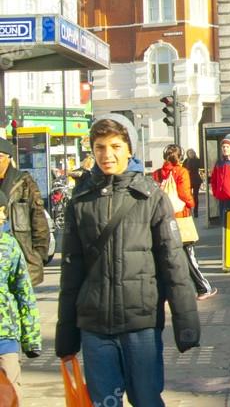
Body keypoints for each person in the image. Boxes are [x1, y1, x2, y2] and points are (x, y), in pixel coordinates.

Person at [56, 118, 200, 406]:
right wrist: (66, 333)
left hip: (140, 324)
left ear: (129, 149)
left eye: (115, 146)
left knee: (146, 399)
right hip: (95, 326)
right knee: (104, 402)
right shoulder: (80, 200)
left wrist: (187, 322)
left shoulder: (150, 196)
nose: (107, 155)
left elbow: (173, 264)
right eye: (99, 147)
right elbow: (71, 272)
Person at [155, 145, 217, 301]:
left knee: (166, 255)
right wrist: (191, 204)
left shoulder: (157, 174)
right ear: (180, 157)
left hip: (163, 217)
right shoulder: (182, 172)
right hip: (180, 217)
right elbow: (184, 194)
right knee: (188, 254)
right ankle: (202, 287)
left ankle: (165, 293)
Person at [0, 189, 42, 404]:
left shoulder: (10, 246)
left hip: (5, 337)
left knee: (9, 394)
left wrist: (31, 338)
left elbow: (24, 292)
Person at [0, 138, 48, 286]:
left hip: (20, 261)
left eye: (0, 157)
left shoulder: (24, 183)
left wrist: (37, 257)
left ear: (9, 158)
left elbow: (39, 221)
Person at [183, 149, 204, 216]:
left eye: (192, 153)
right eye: (189, 153)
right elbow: (183, 169)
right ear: (187, 154)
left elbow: (201, 165)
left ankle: (195, 211)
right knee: (188, 196)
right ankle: (189, 210)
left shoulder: (197, 160)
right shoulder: (186, 161)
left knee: (195, 196)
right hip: (188, 180)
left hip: (196, 180)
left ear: (194, 153)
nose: (191, 154)